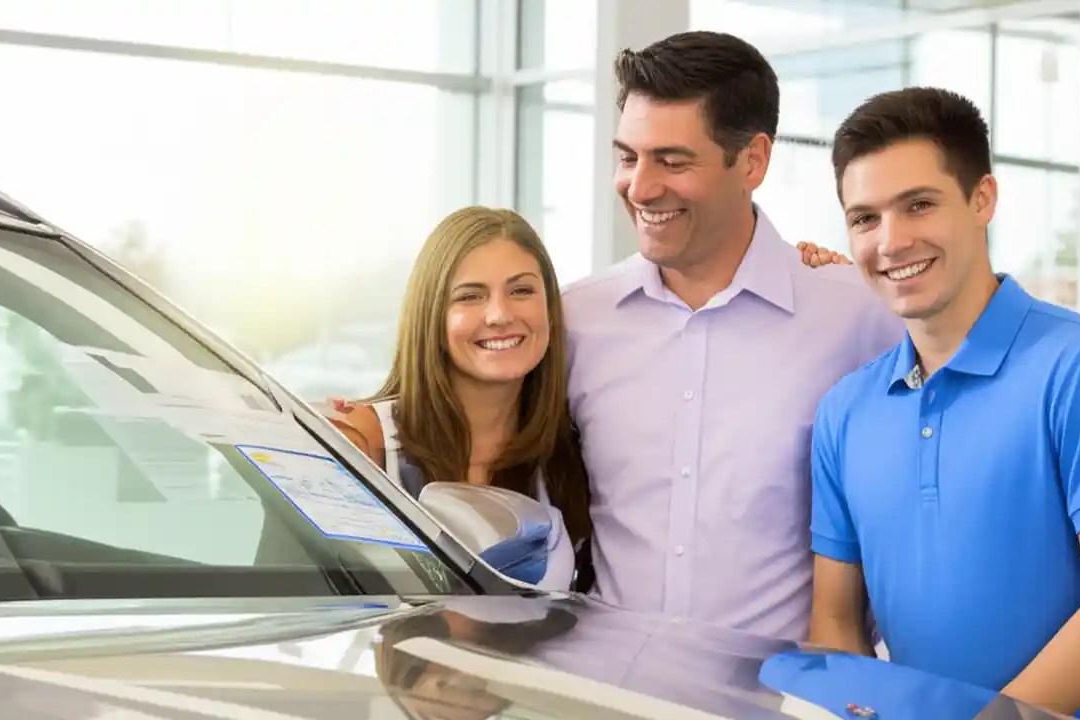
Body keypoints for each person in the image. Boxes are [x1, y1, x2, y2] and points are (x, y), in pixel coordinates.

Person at [560, 30, 904, 639]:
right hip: (604, 694)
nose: (640, 188)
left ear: (753, 160)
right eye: (628, 157)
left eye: (672, 160)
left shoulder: (860, 317)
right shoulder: (577, 320)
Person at [808, 86, 1080, 718]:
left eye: (919, 205)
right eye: (865, 218)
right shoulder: (843, 413)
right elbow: (835, 626)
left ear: (981, 199)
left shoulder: (1076, 366)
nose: (892, 241)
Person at [330, 206, 592, 592]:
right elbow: (290, 611)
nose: (500, 315)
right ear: (431, 316)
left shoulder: (568, 461)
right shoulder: (360, 442)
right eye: (470, 296)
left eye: (521, 291)